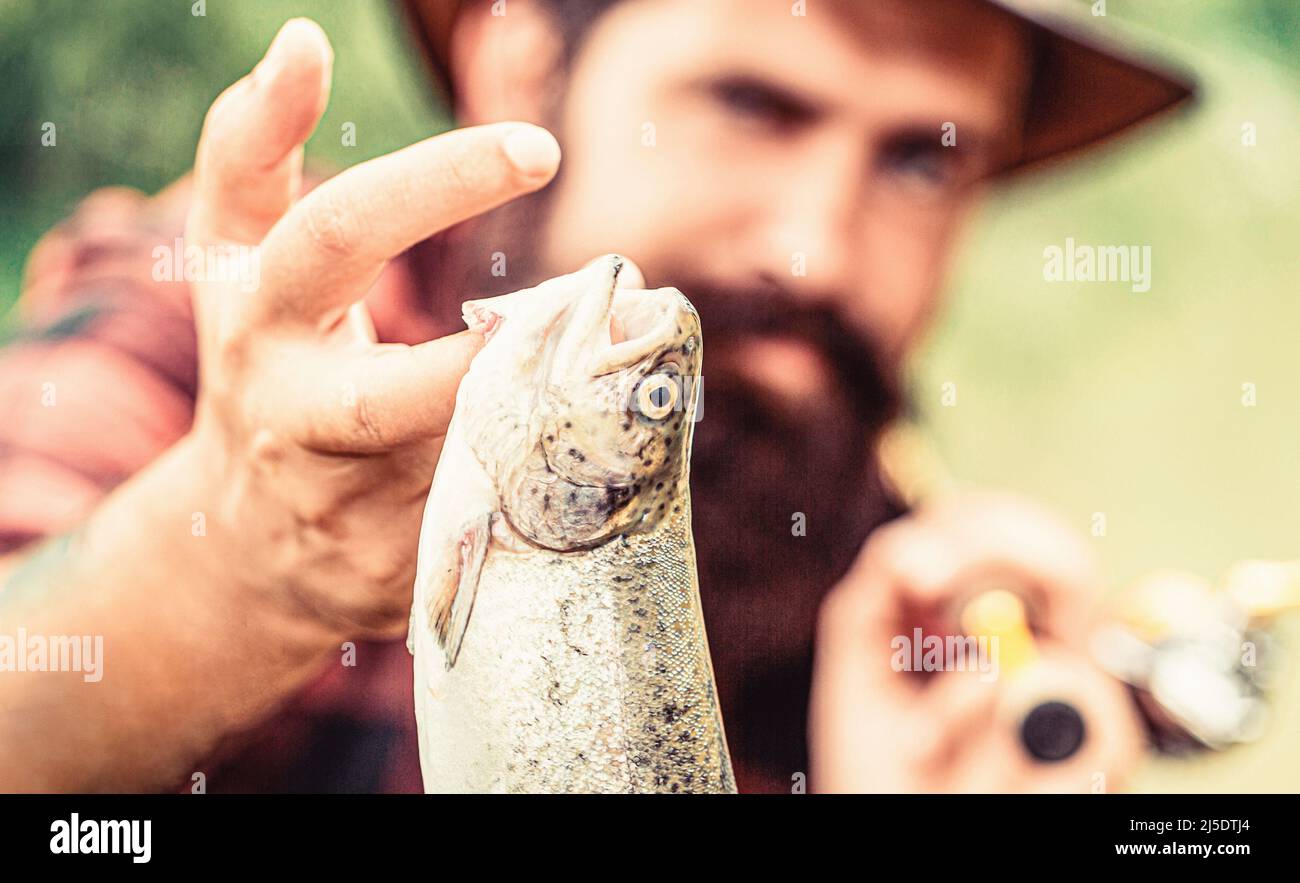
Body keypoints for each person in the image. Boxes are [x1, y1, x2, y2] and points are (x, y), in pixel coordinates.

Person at [0, 0, 1192, 792]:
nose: (813, 250)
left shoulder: (910, 597)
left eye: (922, 159)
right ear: (518, 60)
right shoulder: (228, 337)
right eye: (753, 104)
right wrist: (234, 569)